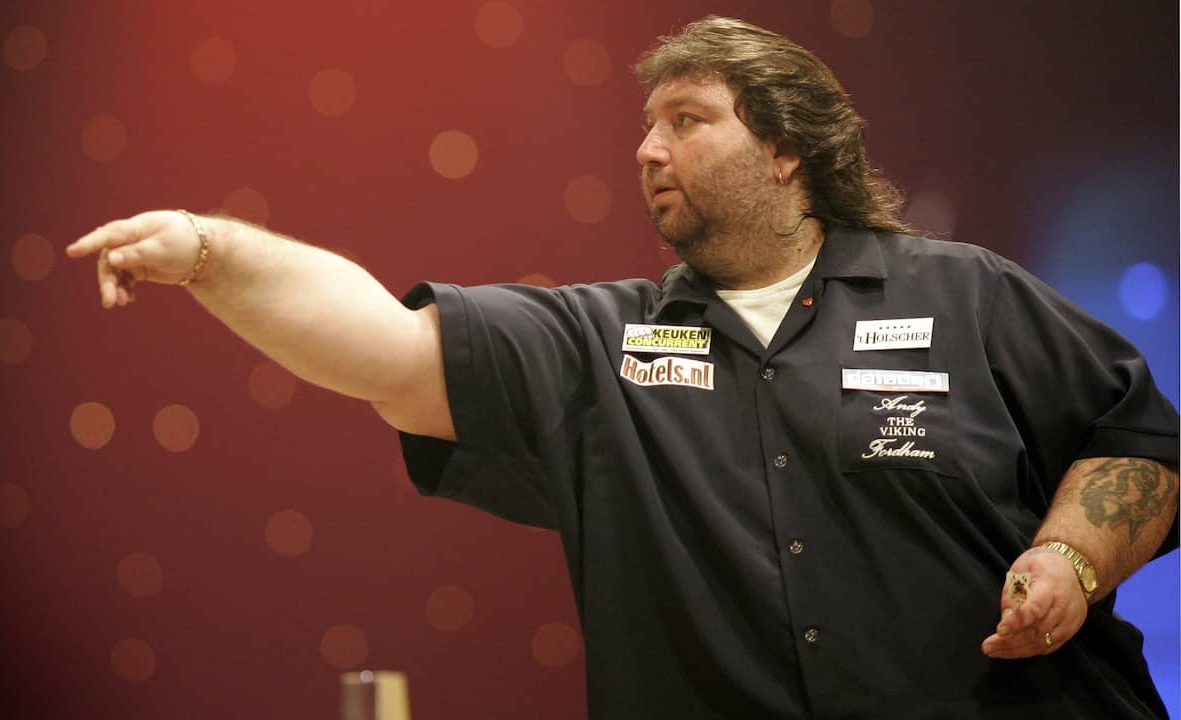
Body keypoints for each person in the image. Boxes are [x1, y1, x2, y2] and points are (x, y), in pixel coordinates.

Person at [68, 16, 1179, 720]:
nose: (646, 150)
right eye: (645, 126)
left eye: (686, 121)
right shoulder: (602, 343)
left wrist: (1072, 559)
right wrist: (210, 252)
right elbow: (382, 349)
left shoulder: (965, 293)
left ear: (786, 149)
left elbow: (1140, 443)